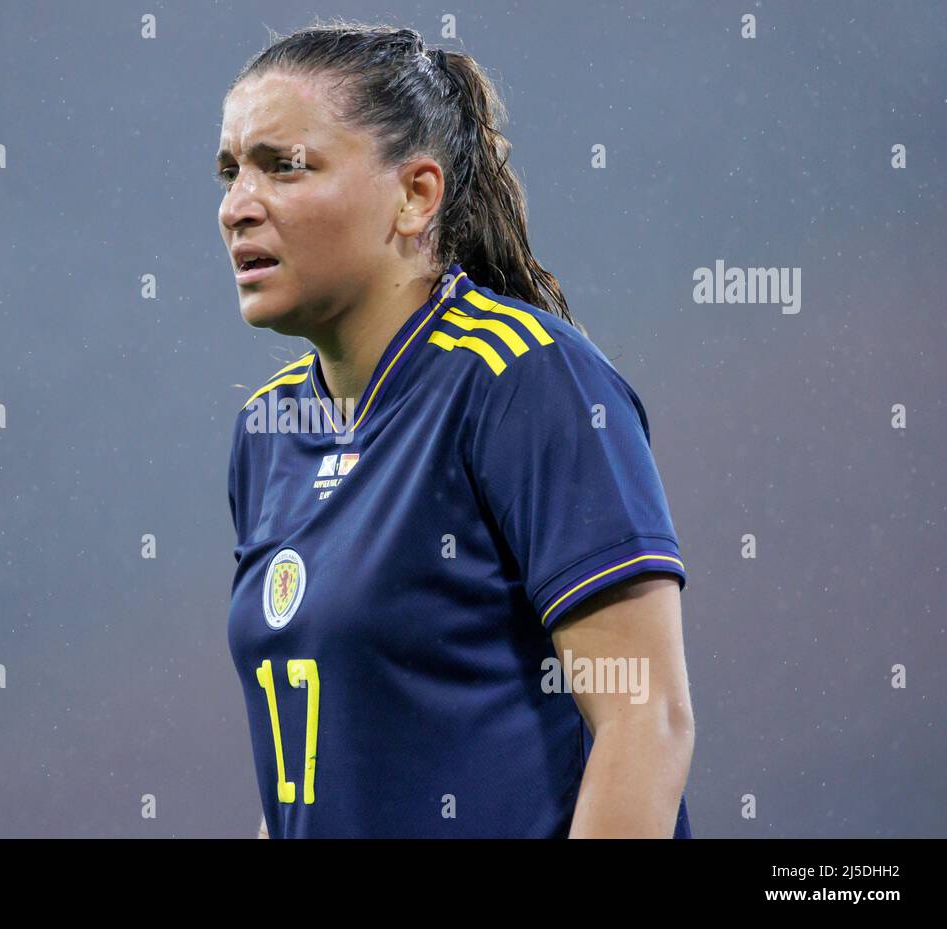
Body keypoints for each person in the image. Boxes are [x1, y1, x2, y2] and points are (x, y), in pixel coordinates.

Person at [220, 21, 694, 838]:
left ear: (416, 195)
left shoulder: (525, 380)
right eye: (229, 172)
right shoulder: (267, 430)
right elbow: (304, 783)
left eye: (283, 167)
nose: (238, 207)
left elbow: (647, 721)